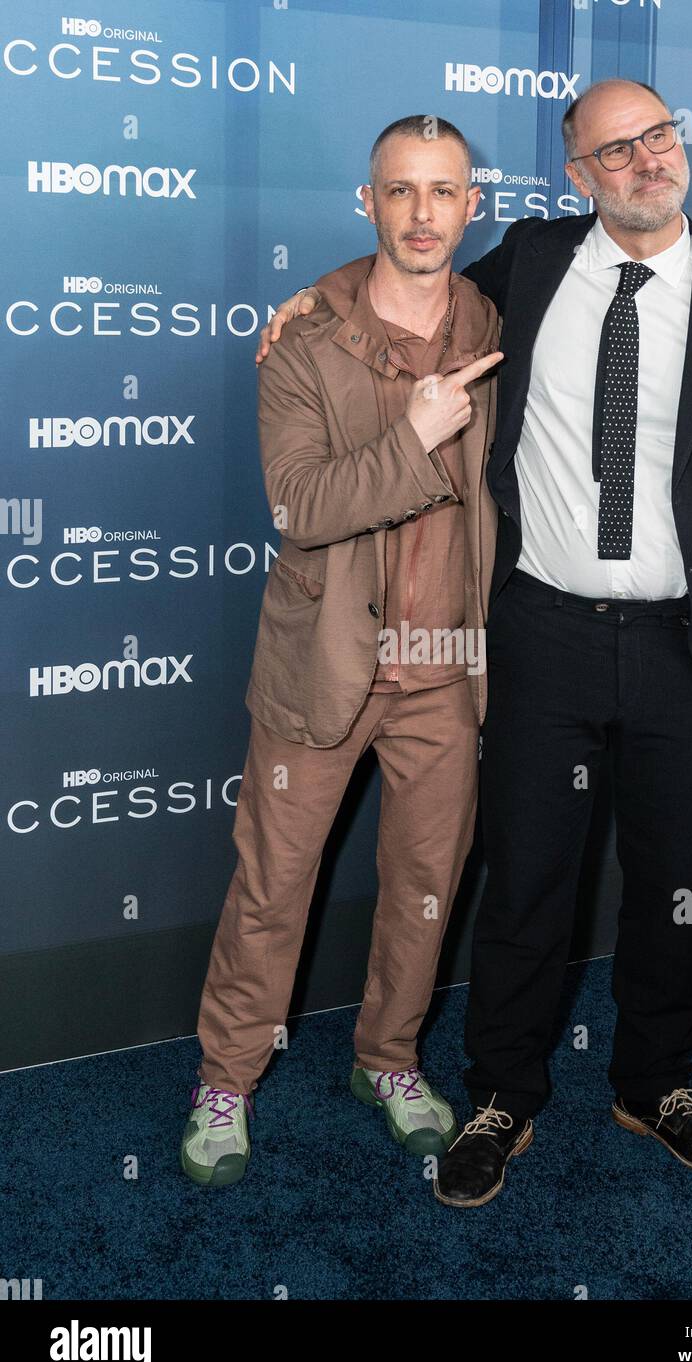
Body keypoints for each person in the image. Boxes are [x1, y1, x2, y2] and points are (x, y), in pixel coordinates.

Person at [257, 81, 692, 1208]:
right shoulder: (527, 267)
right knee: (526, 880)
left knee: (678, 889)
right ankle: (500, 1095)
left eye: (657, 137)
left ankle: (656, 1086)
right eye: (612, 149)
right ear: (576, 174)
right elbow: (401, 284)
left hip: (688, 647)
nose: (643, 161)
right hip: (542, 632)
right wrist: (308, 297)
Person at [181, 114, 502, 1187]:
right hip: (322, 660)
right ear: (366, 202)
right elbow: (300, 503)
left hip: (442, 663)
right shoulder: (305, 339)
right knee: (272, 886)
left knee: (424, 883)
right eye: (398, 190)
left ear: (472, 203)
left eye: (441, 191)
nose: (421, 212)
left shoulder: (489, 316)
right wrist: (411, 435)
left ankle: (389, 1060)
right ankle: (225, 1077)